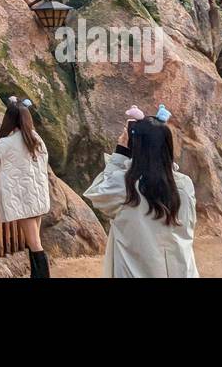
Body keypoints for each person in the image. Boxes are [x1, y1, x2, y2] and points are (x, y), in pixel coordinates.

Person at [83, 109, 198, 277]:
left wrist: (121, 153)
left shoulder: (124, 185)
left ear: (134, 146)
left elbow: (98, 194)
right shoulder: (184, 185)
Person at [0, 96, 52, 278]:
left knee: (35, 245)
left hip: (23, 200)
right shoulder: (36, 138)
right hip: (38, 197)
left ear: (9, 120)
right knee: (34, 243)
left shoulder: (7, 143)